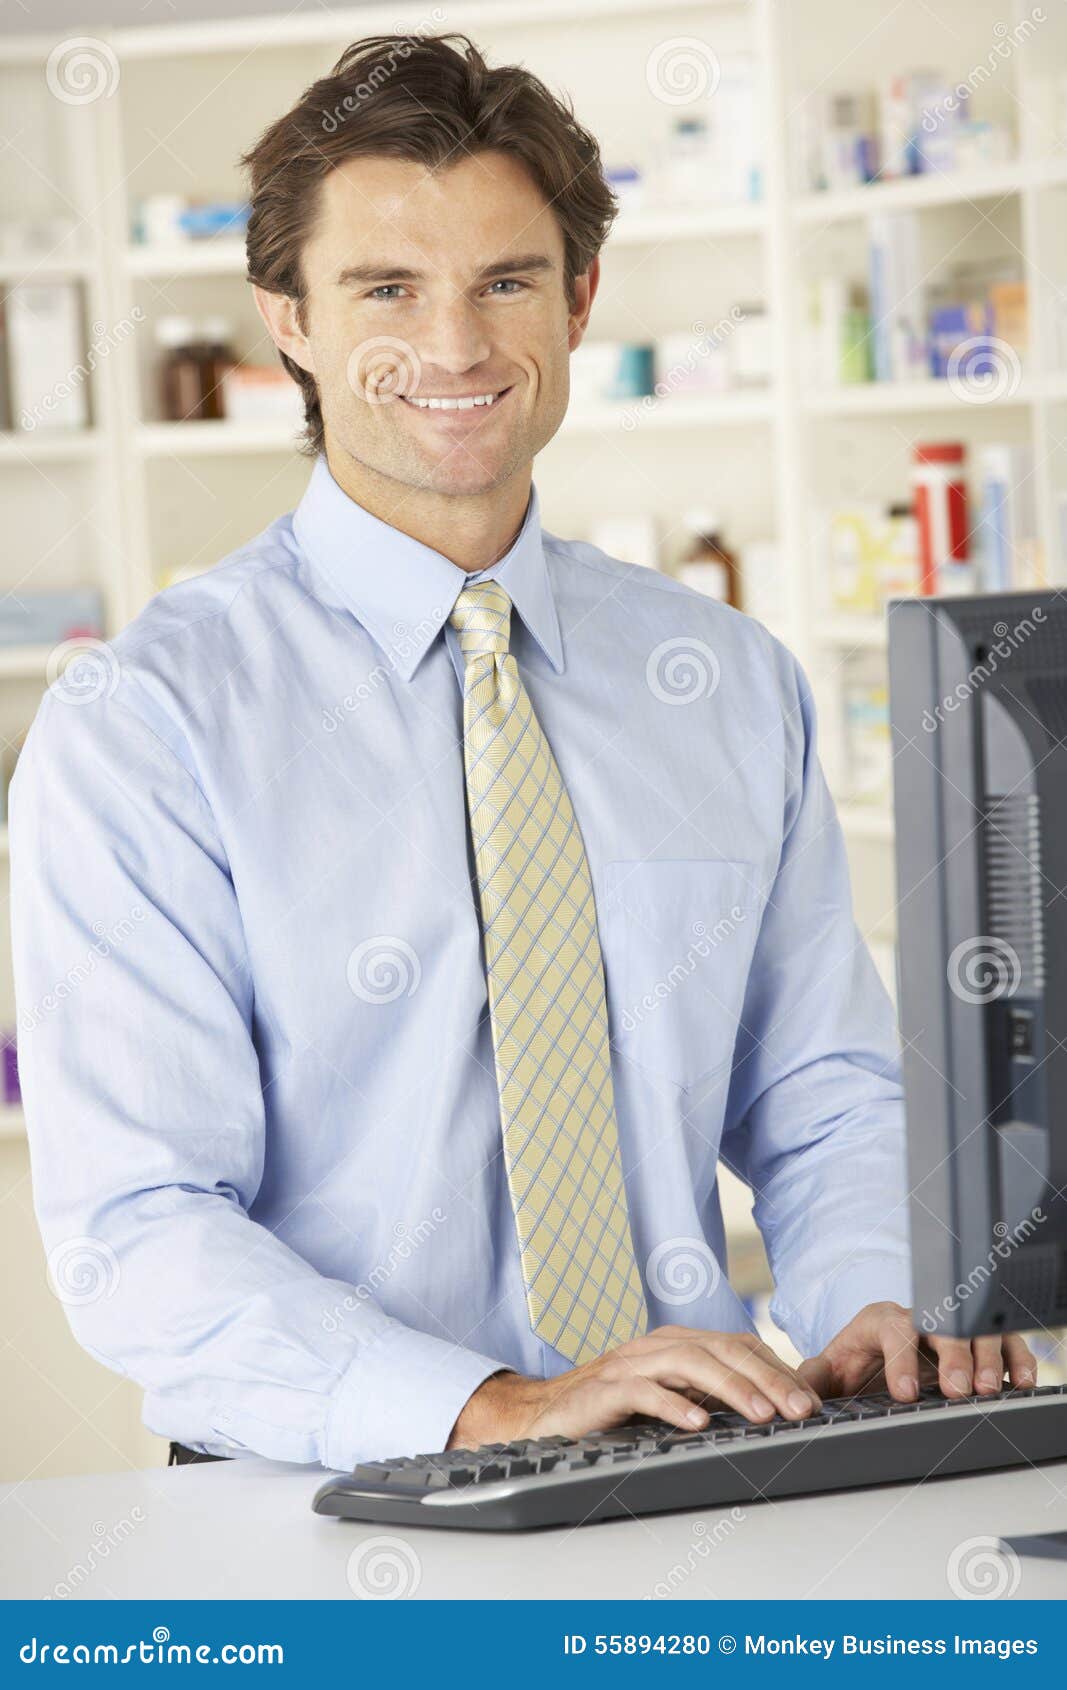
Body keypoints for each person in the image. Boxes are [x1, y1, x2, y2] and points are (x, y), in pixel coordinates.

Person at [10, 33, 1035, 1471]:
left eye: (506, 281)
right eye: (386, 288)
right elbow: (142, 1221)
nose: (455, 347)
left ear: (579, 299)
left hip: (689, 1458)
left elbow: (823, 1094)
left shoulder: (725, 681)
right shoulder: (147, 723)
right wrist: (497, 1407)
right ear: (287, 321)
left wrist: (879, 1298)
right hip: (320, 1493)